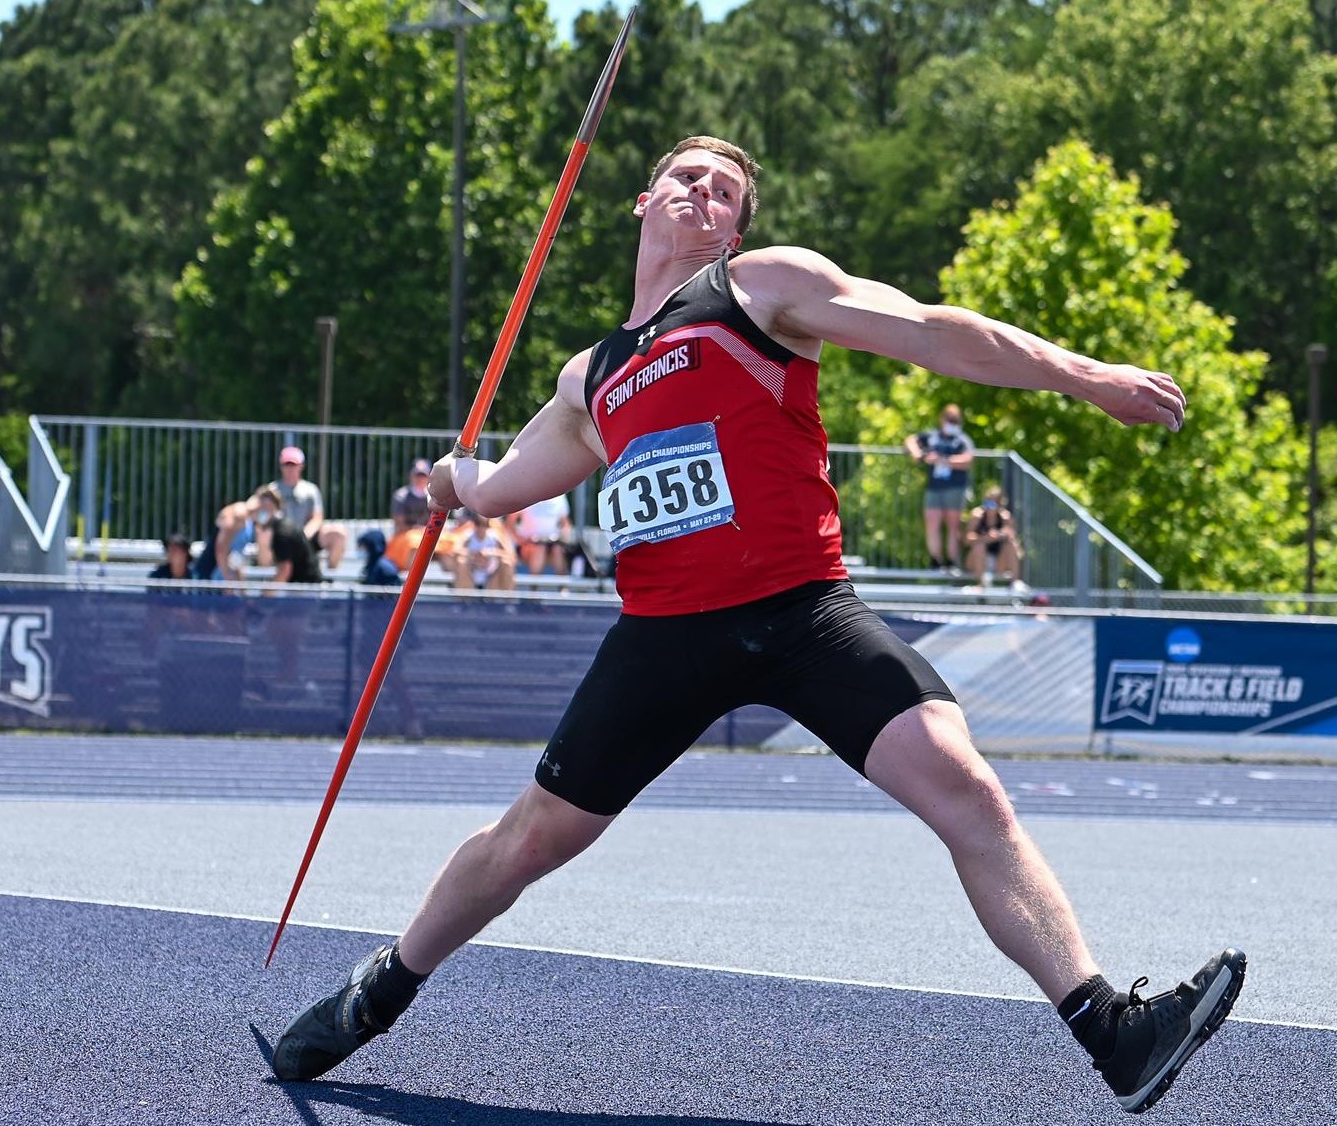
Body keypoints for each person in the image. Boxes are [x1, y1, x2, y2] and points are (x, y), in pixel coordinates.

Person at [272, 136, 1234, 1116]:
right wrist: (448, 479)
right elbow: (500, 485)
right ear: (644, 200)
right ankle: (379, 988)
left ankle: (1113, 1032)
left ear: (736, 226)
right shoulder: (588, 377)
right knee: (525, 841)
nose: (703, 194)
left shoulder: (762, 288)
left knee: (966, 785)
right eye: (688, 178)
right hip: (664, 636)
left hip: (800, 610)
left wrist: (1084, 377)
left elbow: (935, 333)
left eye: (724, 191)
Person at [904, 404, 976, 572]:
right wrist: (918, 454)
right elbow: (910, 440)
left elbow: (968, 460)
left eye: (955, 420)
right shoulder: (932, 436)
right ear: (942, 419)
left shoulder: (962, 439)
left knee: (953, 525)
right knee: (932, 522)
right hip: (934, 487)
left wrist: (942, 459)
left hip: (955, 487)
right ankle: (935, 561)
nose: (951, 423)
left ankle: (951, 562)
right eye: (949, 419)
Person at [271, 446, 347, 571]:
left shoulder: (311, 490)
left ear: (301, 466)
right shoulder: (272, 490)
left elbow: (317, 518)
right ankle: (264, 577)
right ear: (281, 466)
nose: (290, 468)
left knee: (339, 533)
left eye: (293, 464)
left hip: (307, 538)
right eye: (287, 464)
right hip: (281, 538)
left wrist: (302, 536)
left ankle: (331, 577)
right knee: (264, 534)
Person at [254, 485, 322, 585]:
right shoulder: (272, 530)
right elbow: (264, 563)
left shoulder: (283, 533)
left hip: (306, 587)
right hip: (297, 584)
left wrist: (266, 594)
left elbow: (284, 571)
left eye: (267, 507)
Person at [962, 484, 1023, 588]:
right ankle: (981, 584)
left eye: (994, 503)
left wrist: (1003, 535)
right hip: (977, 561)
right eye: (988, 502)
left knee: (1011, 545)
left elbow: (1016, 546)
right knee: (979, 546)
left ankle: (1016, 582)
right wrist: (986, 538)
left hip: (999, 563)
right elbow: (966, 540)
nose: (990, 506)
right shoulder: (977, 515)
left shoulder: (1005, 518)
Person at [510, 493, 573, 576]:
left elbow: (566, 524)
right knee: (540, 548)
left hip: (552, 544)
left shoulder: (560, 496)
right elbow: (510, 523)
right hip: (528, 545)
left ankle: (563, 585)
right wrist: (521, 540)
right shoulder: (525, 493)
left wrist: (562, 538)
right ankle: (534, 585)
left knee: (557, 549)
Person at [452, 512, 515, 591]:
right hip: (471, 571)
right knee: (461, 561)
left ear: (488, 526)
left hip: (492, 574)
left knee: (507, 563)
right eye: (478, 524)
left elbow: (510, 554)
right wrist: (472, 554)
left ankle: (507, 598)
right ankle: (465, 596)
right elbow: (455, 551)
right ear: (474, 525)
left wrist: (491, 553)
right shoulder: (468, 537)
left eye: (484, 525)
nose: (481, 528)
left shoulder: (495, 537)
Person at [391, 459, 434, 536]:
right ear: (411, 476)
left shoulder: (433, 496)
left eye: (423, 476)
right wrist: (416, 530)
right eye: (418, 475)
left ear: (428, 476)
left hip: (427, 535)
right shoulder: (401, 496)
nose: (420, 479)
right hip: (406, 536)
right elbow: (399, 524)